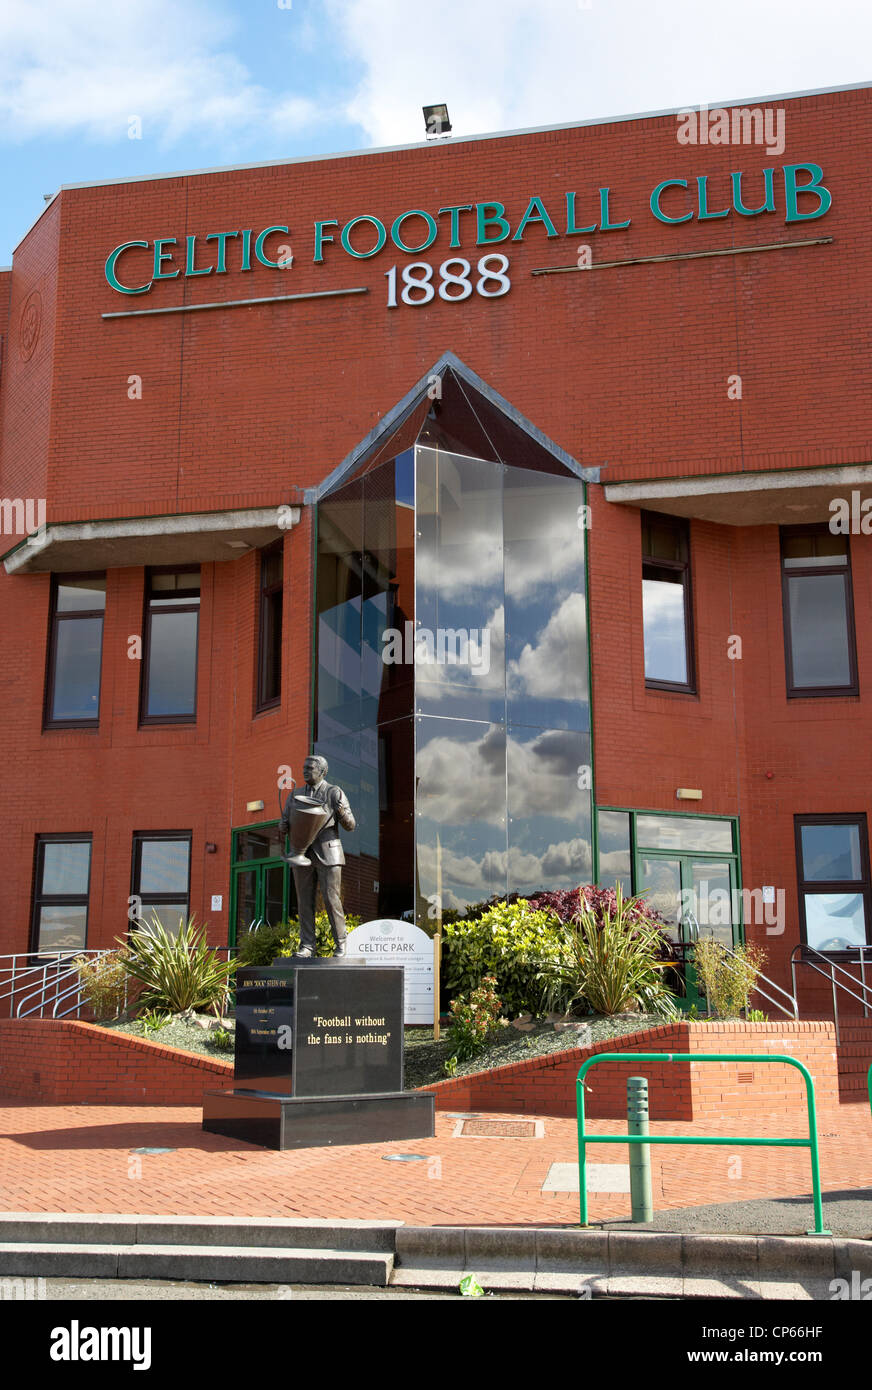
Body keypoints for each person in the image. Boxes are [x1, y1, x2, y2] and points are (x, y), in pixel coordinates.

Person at [281, 754, 355, 957]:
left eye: (310, 768)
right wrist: (283, 825)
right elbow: (286, 820)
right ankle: (307, 946)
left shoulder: (334, 792)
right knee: (304, 902)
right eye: (304, 767)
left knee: (332, 900)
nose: (305, 771)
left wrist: (341, 813)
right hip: (301, 853)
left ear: (322, 771)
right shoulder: (294, 795)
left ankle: (341, 944)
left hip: (328, 852)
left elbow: (351, 825)